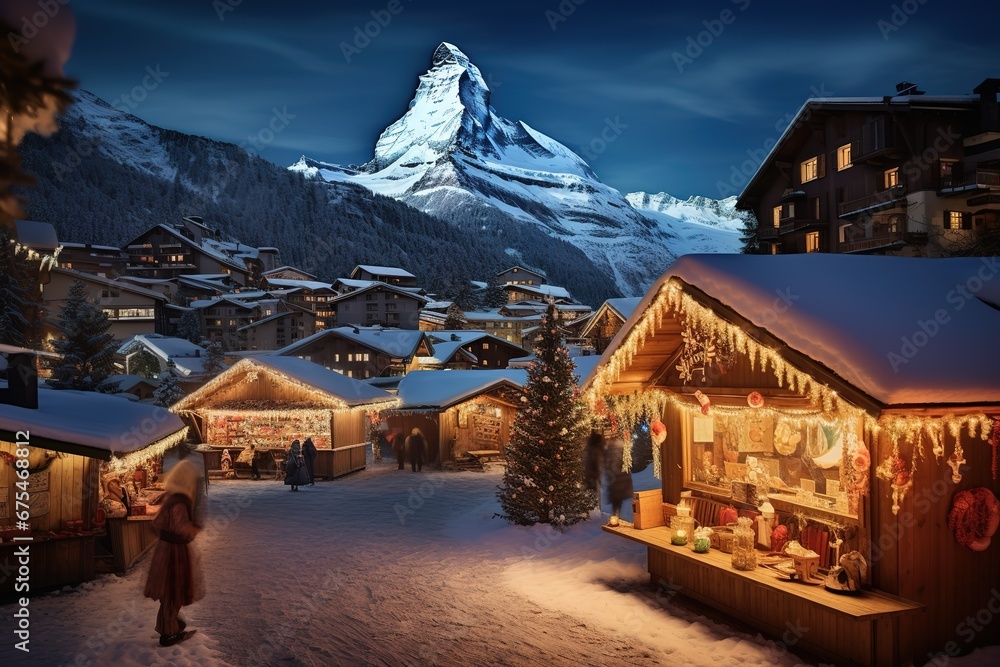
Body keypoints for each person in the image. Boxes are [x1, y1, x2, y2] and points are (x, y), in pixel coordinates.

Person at [143, 460, 204, 647]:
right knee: (174, 591)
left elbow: (156, 525)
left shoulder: (170, 499)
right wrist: (193, 529)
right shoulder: (180, 502)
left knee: (169, 592)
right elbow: (181, 528)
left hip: (164, 550)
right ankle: (169, 632)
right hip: (175, 553)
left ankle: (166, 626)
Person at [604, 433, 634, 527]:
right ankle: (616, 517)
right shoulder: (620, 449)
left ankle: (615, 518)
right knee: (618, 500)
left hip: (616, 481)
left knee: (616, 500)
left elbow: (610, 465)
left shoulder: (611, 450)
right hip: (621, 480)